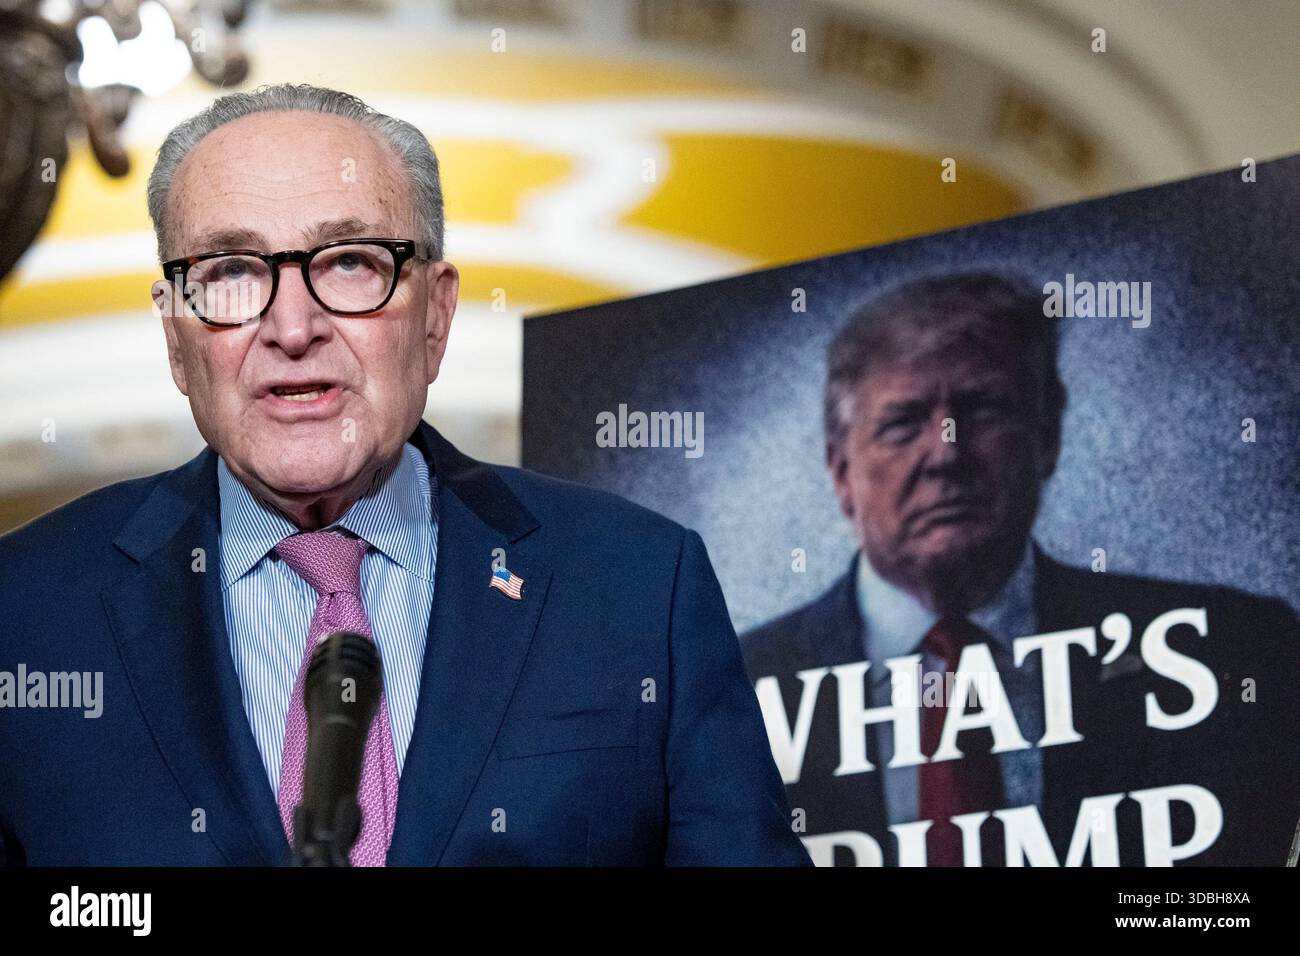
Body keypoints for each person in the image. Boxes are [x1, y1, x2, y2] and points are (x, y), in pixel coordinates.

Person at [0, 83, 810, 867]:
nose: (292, 327)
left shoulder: (637, 585)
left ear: (436, 315)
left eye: (350, 262)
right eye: (231, 271)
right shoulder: (27, 613)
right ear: (176, 338)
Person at [740, 272, 1299, 867]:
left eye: (982, 410)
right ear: (839, 472)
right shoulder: (726, 695)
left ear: (1048, 435)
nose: (946, 455)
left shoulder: (1236, 650)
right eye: (902, 423)